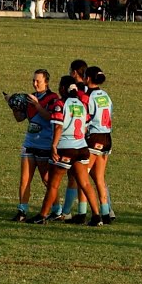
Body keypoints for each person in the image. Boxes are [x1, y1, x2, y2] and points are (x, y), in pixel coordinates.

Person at [32, 75, 104, 226]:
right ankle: (97, 216)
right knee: (85, 183)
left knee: (53, 184)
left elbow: (58, 126)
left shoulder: (60, 104)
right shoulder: (81, 104)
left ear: (63, 88)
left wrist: (54, 145)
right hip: (82, 148)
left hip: (66, 148)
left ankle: (42, 216)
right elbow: (85, 125)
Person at [9, 69, 61, 222]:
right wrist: (13, 106)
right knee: (25, 179)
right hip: (29, 143)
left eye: (38, 81)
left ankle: (56, 210)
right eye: (33, 80)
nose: (35, 83)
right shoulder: (29, 98)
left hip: (45, 145)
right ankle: (22, 210)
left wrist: (37, 105)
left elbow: (50, 118)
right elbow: (20, 118)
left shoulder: (53, 99)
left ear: (46, 82)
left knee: (47, 180)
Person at [84, 66, 115, 223]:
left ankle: (84, 213)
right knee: (99, 178)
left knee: (83, 176)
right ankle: (106, 213)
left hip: (94, 138)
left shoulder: (88, 97)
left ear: (88, 79)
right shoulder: (106, 95)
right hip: (107, 138)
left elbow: (86, 118)